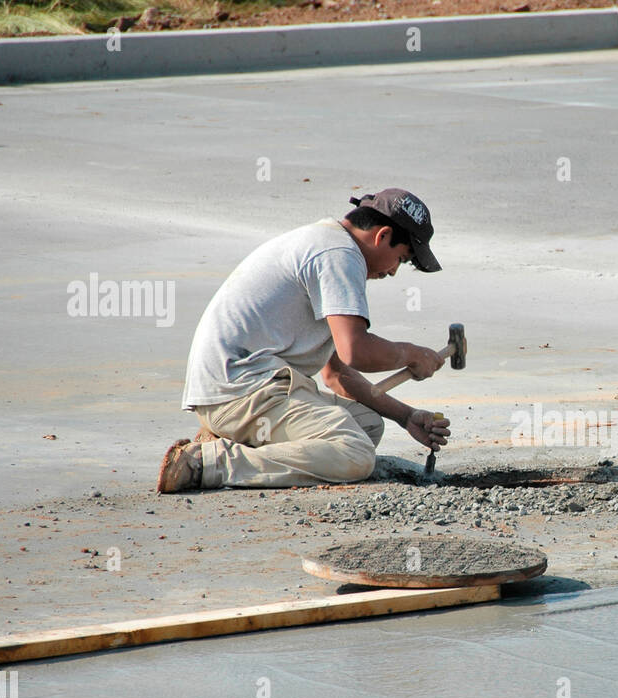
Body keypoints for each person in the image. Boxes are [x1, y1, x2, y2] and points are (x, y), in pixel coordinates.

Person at [158, 189, 451, 493]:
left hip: (241, 386)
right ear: (382, 235)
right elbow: (356, 351)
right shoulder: (340, 256)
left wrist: (407, 417)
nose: (392, 271)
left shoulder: (326, 243)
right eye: (400, 259)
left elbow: (337, 374)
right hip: (240, 391)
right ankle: (208, 462)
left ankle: (232, 437)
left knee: (368, 426)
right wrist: (410, 354)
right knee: (356, 452)